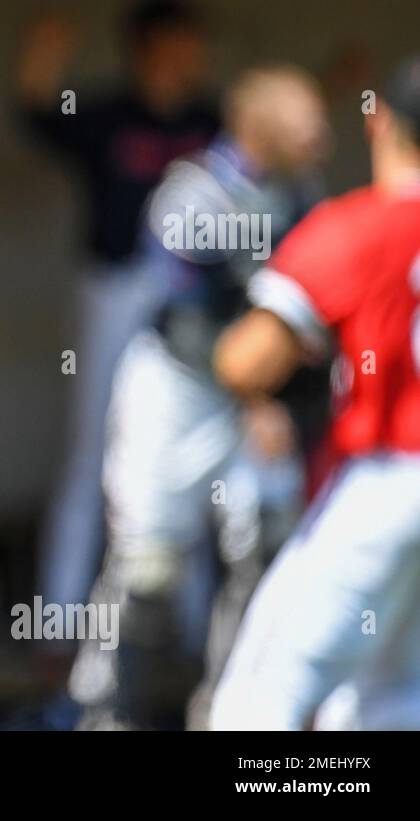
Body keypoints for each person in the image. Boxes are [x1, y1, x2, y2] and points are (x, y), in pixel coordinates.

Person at [66, 66, 331, 729]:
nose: (318, 129)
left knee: (266, 552)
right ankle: (108, 710)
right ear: (259, 123)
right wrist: (256, 396)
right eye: (302, 116)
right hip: (180, 390)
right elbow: (191, 320)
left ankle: (229, 711)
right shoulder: (194, 193)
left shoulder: (301, 194)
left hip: (257, 401)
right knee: (150, 570)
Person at [210, 55, 420, 730]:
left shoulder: (358, 224)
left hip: (388, 480)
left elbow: (245, 362)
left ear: (380, 121)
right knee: (390, 702)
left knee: (258, 700)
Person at [17, 0, 219, 621]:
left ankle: (193, 634)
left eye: (191, 43)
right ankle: (57, 622)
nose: (186, 56)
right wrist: (45, 46)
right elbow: (34, 113)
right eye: (174, 42)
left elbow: (266, 149)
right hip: (112, 288)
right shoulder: (107, 113)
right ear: (147, 47)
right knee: (92, 452)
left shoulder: (208, 120)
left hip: (189, 298)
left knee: (193, 454)